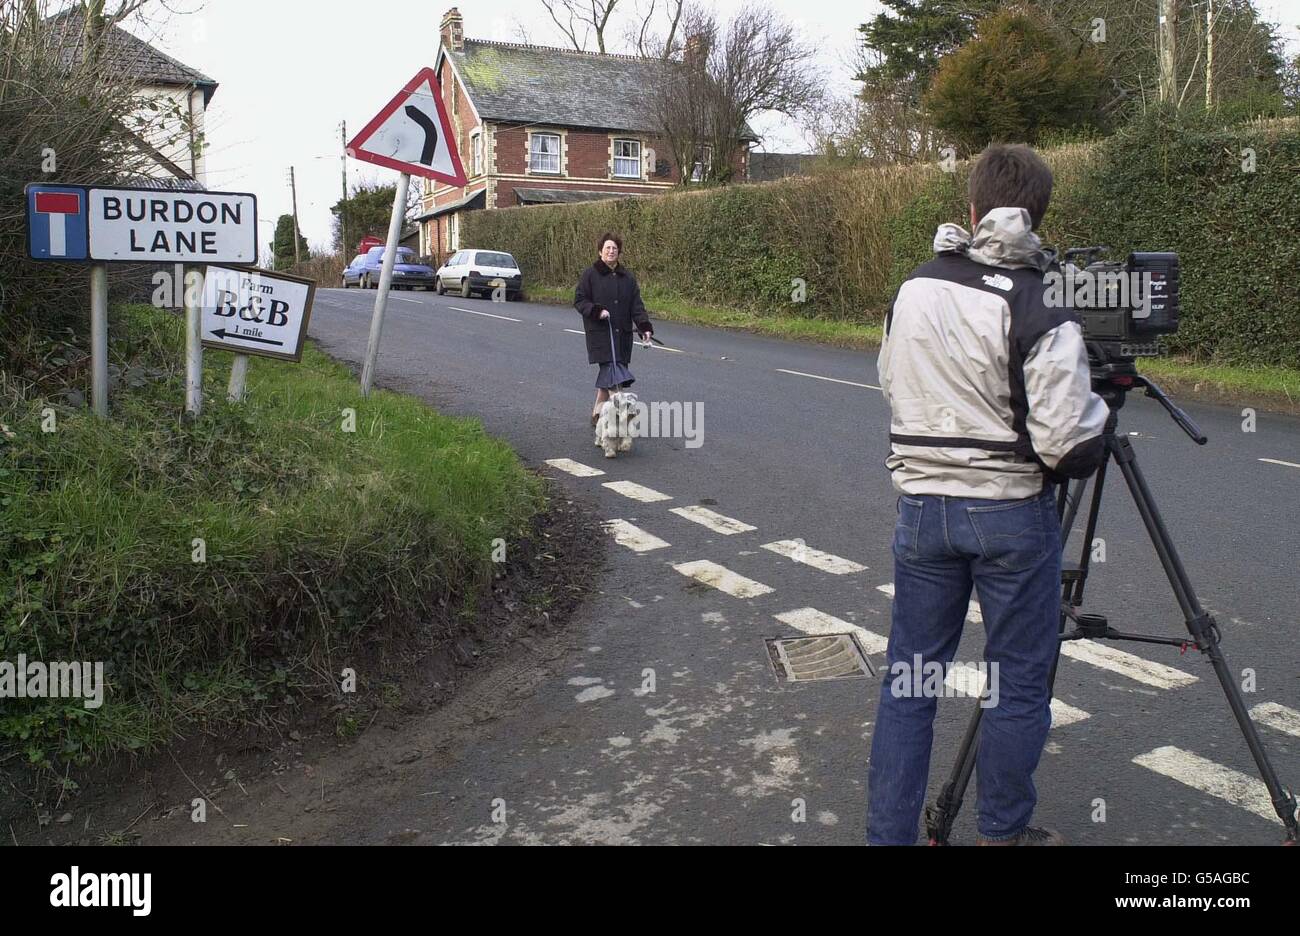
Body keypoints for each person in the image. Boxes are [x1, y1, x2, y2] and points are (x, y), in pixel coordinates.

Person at [868, 143, 1108, 846]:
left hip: (921, 510)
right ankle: (1003, 832)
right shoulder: (1043, 302)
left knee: (908, 684)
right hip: (1009, 514)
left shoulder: (914, 285)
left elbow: (891, 379)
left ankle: (889, 837)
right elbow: (1067, 442)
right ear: (1037, 217)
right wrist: (1103, 414)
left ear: (972, 211)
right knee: (1018, 682)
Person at [574, 232, 653, 426]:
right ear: (600, 251)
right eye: (607, 248)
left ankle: (597, 414)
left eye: (614, 248)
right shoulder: (590, 275)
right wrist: (596, 311)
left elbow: (637, 305)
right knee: (613, 376)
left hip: (623, 336)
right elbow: (579, 300)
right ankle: (624, 417)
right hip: (601, 335)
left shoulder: (628, 278)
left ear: (619, 252)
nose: (611, 251)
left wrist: (644, 327)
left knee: (610, 376)